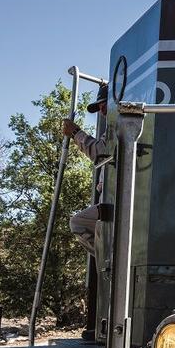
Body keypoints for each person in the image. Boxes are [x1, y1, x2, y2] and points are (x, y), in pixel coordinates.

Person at [62, 89, 110, 254]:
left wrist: (75, 133)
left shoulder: (119, 127)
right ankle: (108, 258)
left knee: (78, 223)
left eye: (105, 104)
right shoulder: (113, 129)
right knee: (88, 226)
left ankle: (107, 260)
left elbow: (100, 152)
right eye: (99, 107)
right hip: (108, 199)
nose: (102, 110)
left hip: (115, 202)